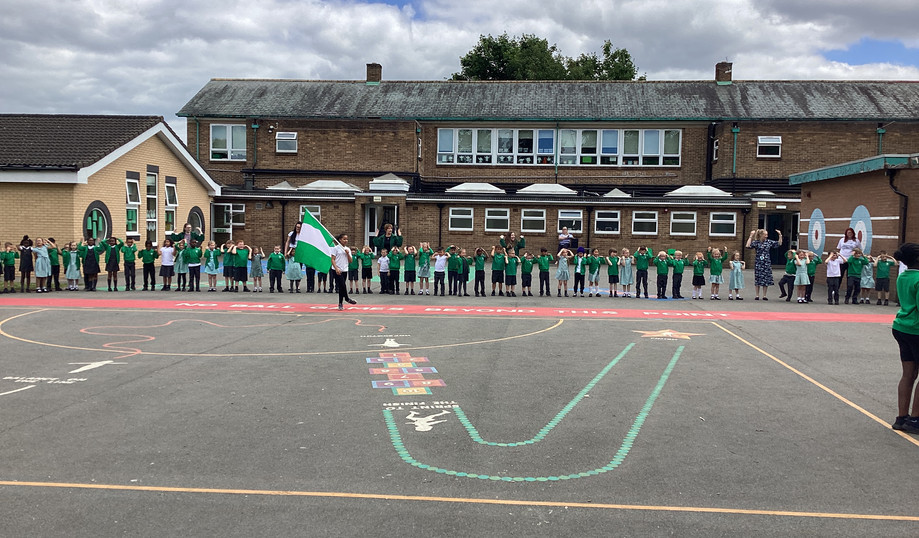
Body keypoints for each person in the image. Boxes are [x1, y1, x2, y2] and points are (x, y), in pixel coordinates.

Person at [891, 243, 919, 433]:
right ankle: (915, 420)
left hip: (902, 327)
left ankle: (901, 418)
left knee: (908, 374)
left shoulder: (903, 276)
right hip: (916, 329)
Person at [746, 228, 783, 300]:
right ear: (761, 235)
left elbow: (779, 243)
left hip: (766, 262)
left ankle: (764, 295)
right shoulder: (756, 242)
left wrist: (780, 235)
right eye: (765, 234)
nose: (766, 236)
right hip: (759, 262)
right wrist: (751, 236)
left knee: (766, 279)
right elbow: (748, 246)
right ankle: (757, 295)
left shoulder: (768, 242)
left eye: (767, 234)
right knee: (758, 278)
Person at [331, 234, 357, 310]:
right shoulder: (336, 248)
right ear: (340, 240)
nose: (346, 241)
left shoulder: (347, 249)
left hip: (344, 269)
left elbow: (350, 261)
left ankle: (340, 303)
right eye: (344, 239)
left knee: (342, 287)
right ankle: (347, 298)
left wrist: (348, 253)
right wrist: (336, 268)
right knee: (342, 285)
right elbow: (332, 259)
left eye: (346, 239)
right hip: (337, 270)